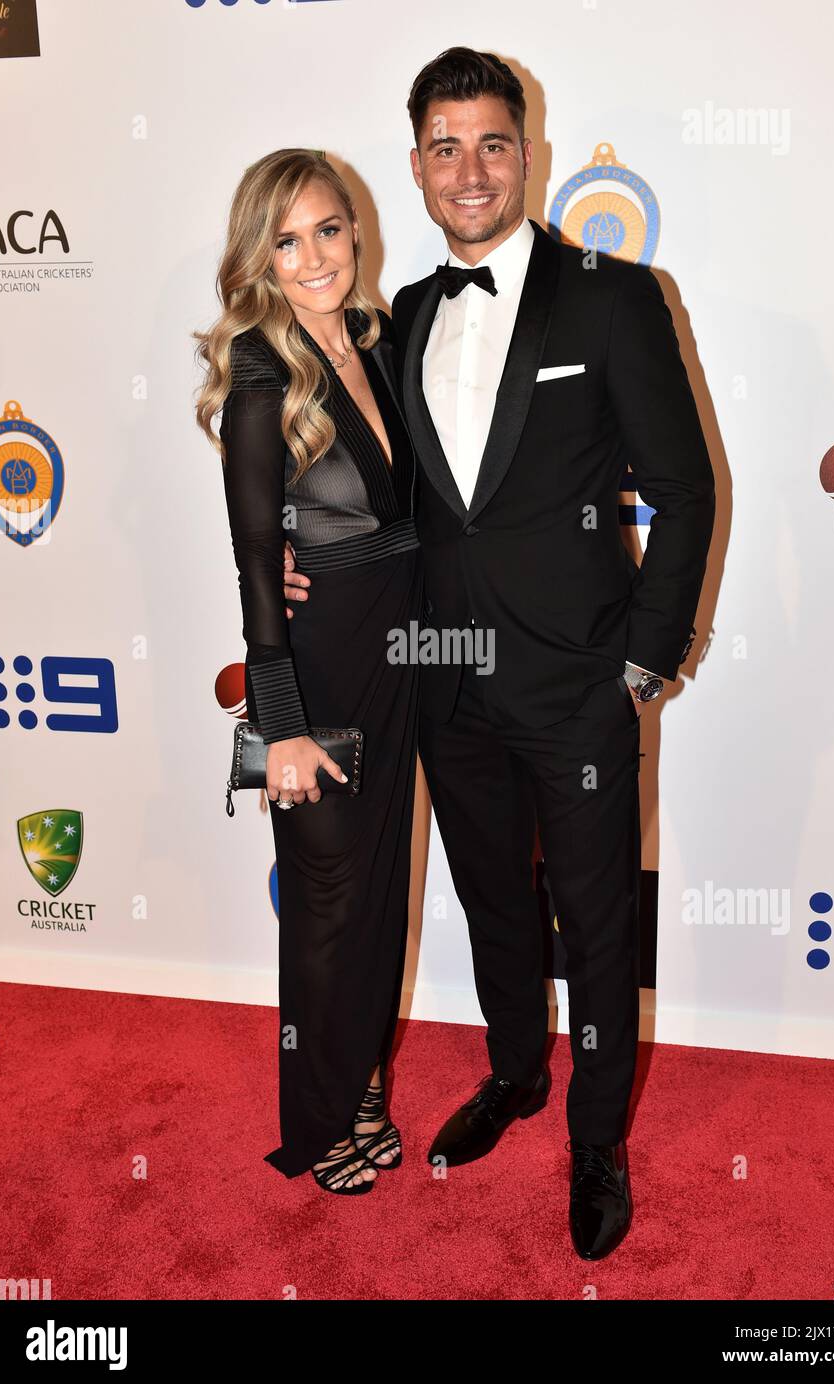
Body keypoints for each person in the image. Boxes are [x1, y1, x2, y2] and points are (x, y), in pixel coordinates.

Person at [284, 48, 715, 1257]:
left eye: (490, 144)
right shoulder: (397, 318)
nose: (467, 170)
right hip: (441, 679)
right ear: (414, 163)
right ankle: (514, 1076)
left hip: (580, 682)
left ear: (524, 154)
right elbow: (365, 490)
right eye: (442, 146)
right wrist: (291, 557)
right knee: (488, 904)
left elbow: (683, 490)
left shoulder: (613, 295)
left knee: (595, 921)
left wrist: (648, 656)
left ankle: (594, 1143)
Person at [195, 150, 422, 1195]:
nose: (312, 255)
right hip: (319, 671)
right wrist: (278, 722)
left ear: (356, 232)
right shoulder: (259, 369)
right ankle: (319, 1114)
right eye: (286, 240)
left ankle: (367, 1083)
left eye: (327, 229)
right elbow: (255, 557)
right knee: (329, 901)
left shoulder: (382, 342)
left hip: (406, 656)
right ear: (259, 258)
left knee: (379, 896)